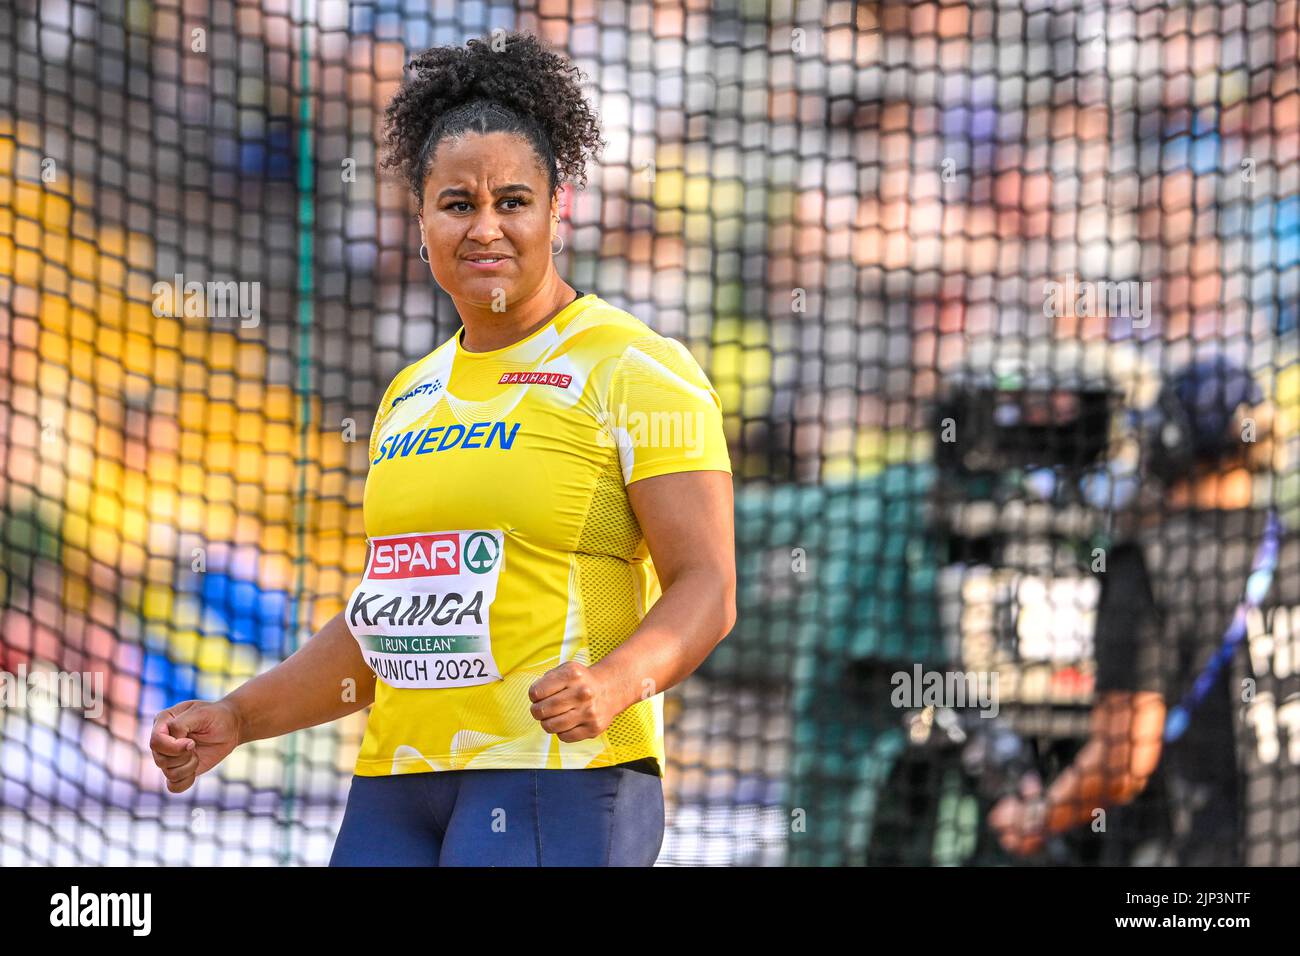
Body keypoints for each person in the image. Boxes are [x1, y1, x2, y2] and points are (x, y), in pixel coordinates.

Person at [148, 32, 736, 867]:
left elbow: (707, 588)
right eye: (458, 203)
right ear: (420, 220)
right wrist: (242, 717)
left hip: (555, 773)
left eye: (513, 201)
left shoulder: (635, 368)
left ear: (557, 207)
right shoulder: (409, 394)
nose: (485, 227)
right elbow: (386, 622)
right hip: (398, 779)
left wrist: (615, 682)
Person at [987, 357, 1300, 865]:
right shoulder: (1291, 552)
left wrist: (1037, 818)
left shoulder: (1147, 563)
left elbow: (1125, 759)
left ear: (1174, 439)